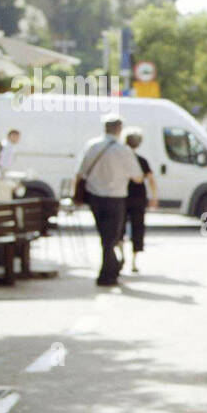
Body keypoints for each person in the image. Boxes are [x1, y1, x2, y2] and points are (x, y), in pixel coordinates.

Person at [74, 113, 143, 287]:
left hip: (95, 196)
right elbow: (138, 177)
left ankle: (110, 270)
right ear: (119, 129)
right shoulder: (123, 150)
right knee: (110, 237)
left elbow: (80, 173)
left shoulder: (93, 146)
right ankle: (109, 272)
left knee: (105, 236)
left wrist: (77, 195)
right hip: (115, 197)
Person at [121, 127, 157, 273]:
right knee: (137, 228)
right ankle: (134, 262)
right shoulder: (141, 161)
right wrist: (154, 197)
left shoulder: (121, 160)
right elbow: (151, 180)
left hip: (122, 196)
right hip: (138, 198)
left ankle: (121, 256)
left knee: (120, 228)